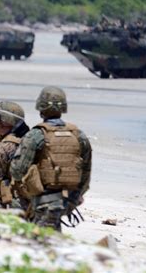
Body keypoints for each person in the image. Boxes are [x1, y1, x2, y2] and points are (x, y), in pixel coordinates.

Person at [10, 86, 92, 231]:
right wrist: (74, 198)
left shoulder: (36, 135)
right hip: (67, 201)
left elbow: (17, 171)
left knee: (41, 241)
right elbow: (85, 172)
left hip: (43, 201)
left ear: (40, 108)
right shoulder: (78, 135)